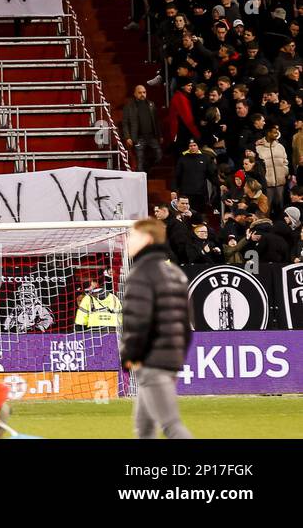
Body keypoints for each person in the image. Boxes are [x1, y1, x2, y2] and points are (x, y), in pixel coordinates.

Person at [120, 217, 193, 439]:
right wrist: (176, 357)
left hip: (150, 359)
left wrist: (130, 354)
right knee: (144, 428)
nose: (127, 241)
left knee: (171, 425)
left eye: (133, 236)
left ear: (147, 239)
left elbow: (138, 321)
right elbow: (186, 324)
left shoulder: (141, 273)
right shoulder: (175, 273)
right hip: (167, 358)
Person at [122, 84, 163, 173]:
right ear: (135, 94)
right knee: (139, 162)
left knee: (159, 156)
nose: (142, 94)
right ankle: (142, 181)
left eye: (144, 92)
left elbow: (156, 121)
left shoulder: (151, 104)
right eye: (140, 93)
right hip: (139, 138)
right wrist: (127, 137)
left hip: (152, 136)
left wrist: (160, 135)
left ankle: (147, 167)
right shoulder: (129, 107)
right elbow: (125, 124)